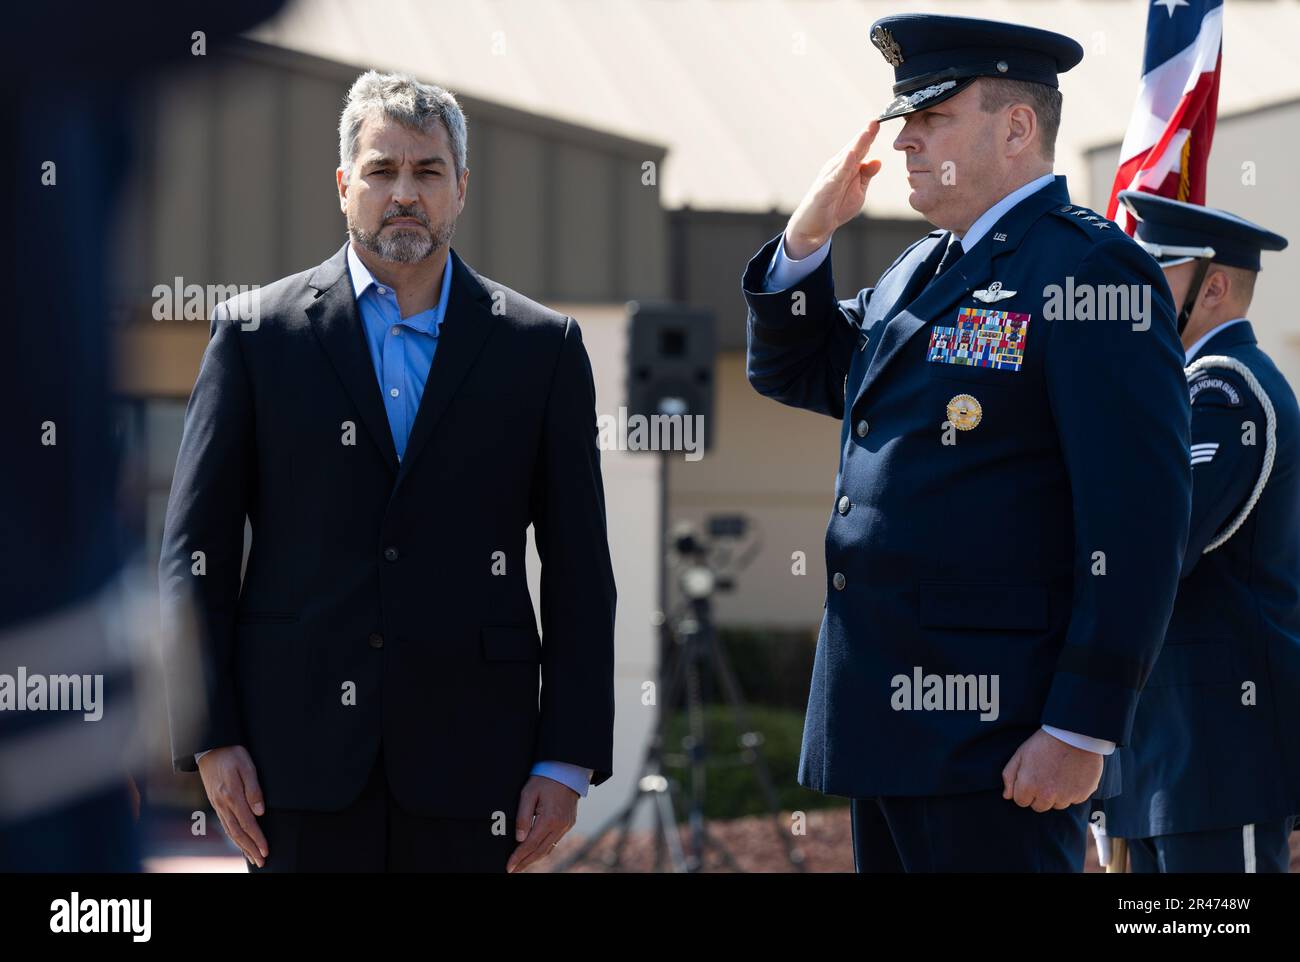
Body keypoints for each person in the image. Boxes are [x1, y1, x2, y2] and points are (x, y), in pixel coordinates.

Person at [741, 14, 1191, 872]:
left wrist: (1081, 726)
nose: (904, 140)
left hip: (1000, 736)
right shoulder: (920, 269)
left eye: (933, 117)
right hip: (888, 720)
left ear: (1017, 128)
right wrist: (805, 241)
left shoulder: (1088, 272)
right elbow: (801, 372)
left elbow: (1138, 521)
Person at [159, 71, 616, 872]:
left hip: (480, 769)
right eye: (381, 171)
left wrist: (566, 759)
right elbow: (193, 554)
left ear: (461, 188)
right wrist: (210, 734)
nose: (404, 193)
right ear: (344, 186)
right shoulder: (255, 337)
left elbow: (582, 569)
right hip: (291, 771)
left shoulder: (541, 351)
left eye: (427, 172)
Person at [1103, 192, 1299, 873]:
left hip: (1217, 756)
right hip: (1163, 757)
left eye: (1158, 273)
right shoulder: (1181, 395)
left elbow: (1154, 544)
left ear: (1212, 286)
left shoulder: (1226, 395)